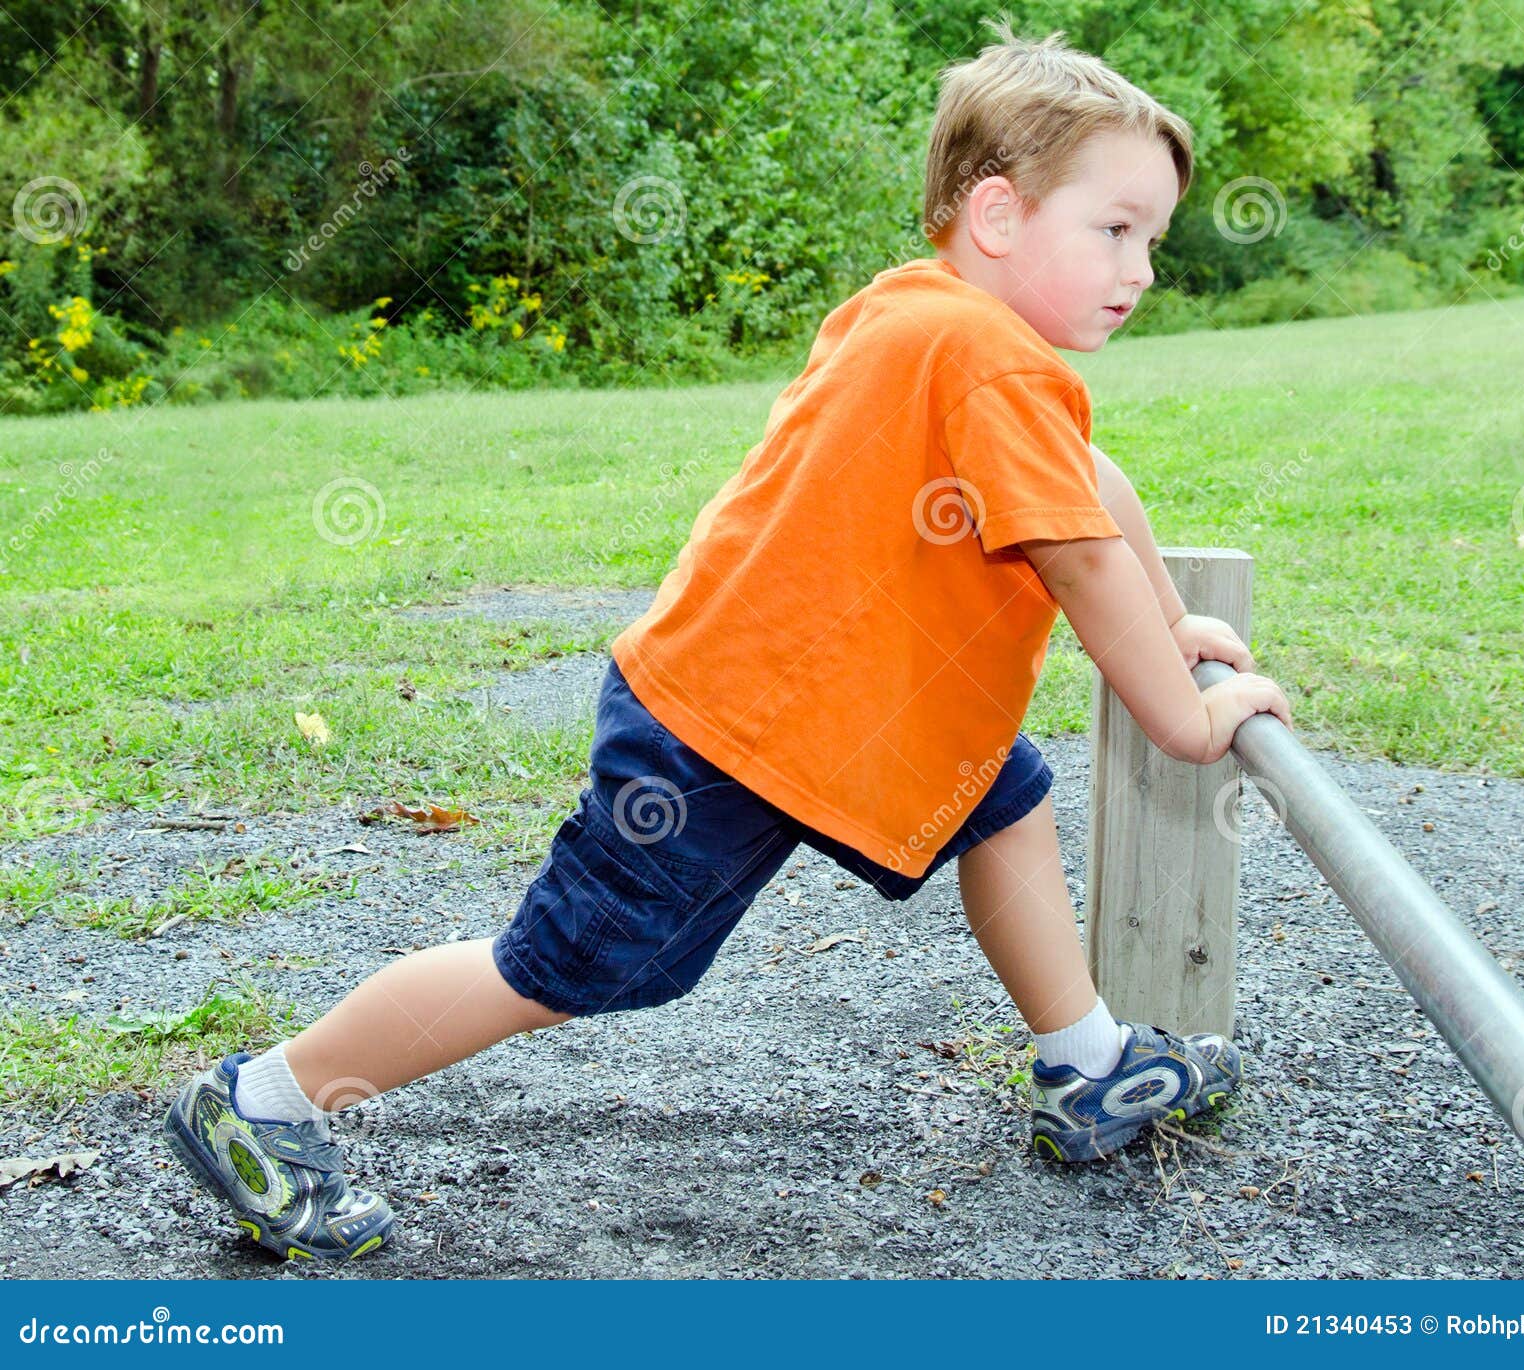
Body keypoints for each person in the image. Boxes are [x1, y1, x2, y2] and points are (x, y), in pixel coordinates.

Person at [164, 19, 1293, 1262]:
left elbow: (1087, 488)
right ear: (996, 215)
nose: (1140, 267)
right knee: (569, 961)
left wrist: (1164, 603)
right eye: (1115, 228)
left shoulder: (920, 315)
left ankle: (1081, 1060)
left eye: (1155, 239)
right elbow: (1073, 554)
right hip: (728, 733)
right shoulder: (981, 356)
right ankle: (264, 1098)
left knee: (1003, 795)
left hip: (820, 706)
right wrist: (1180, 716)